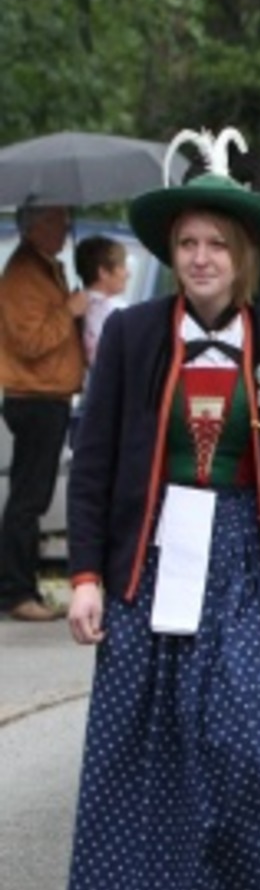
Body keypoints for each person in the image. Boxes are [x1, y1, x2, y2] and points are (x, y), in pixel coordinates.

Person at [62, 136, 260, 890]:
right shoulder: (135, 337)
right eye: (187, 244)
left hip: (247, 572)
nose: (201, 259)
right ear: (171, 253)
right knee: (162, 751)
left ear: (246, 256)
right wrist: (85, 577)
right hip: (151, 565)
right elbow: (97, 461)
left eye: (217, 244)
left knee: (242, 750)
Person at [0, 201, 86, 620]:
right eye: (56, 221)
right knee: (27, 499)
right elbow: (29, 342)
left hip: (51, 394)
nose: (64, 227)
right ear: (33, 228)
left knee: (32, 495)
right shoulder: (21, 276)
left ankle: (22, 586)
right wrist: (67, 312)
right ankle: (16, 592)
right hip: (33, 396)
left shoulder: (46, 267)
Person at [74, 235, 129, 370]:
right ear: (103, 272)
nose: (128, 273)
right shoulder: (114, 312)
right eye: (121, 266)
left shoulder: (77, 307)